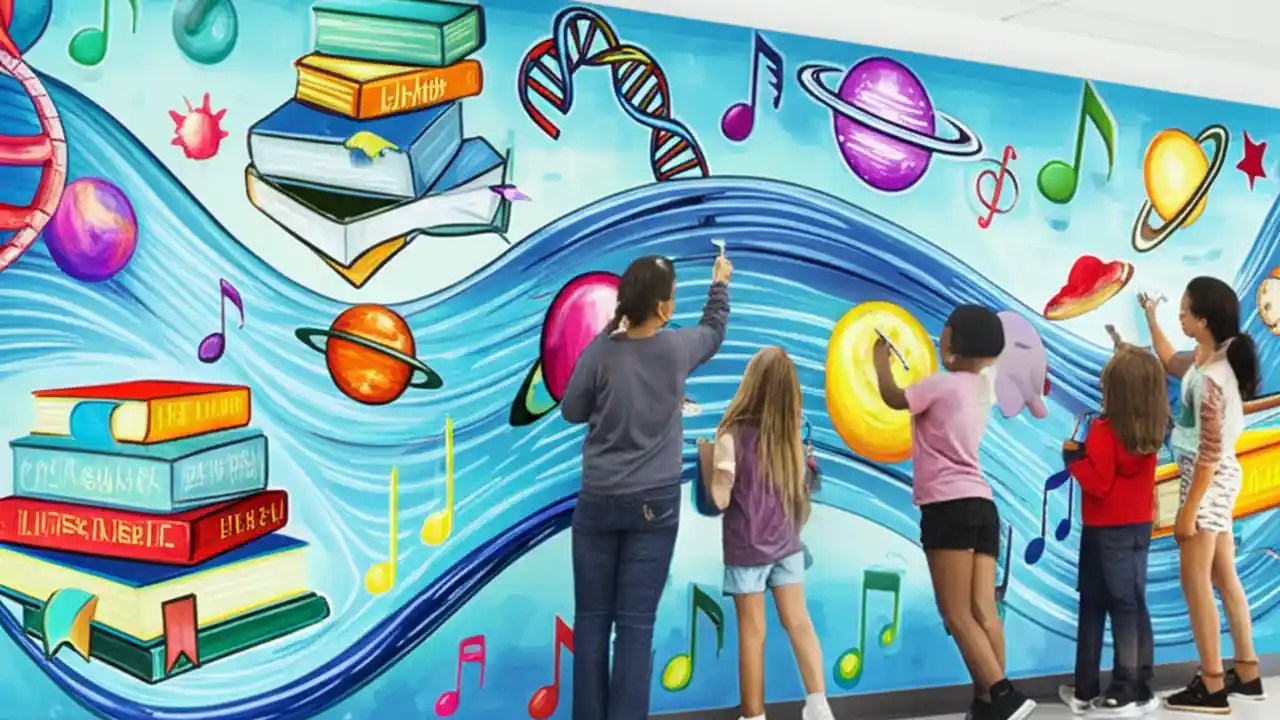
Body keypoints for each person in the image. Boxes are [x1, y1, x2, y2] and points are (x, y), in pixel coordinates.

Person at [560, 252, 732, 720]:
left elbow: (572, 411)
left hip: (597, 503)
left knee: (591, 624)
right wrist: (719, 285)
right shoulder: (677, 349)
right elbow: (714, 331)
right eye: (672, 296)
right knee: (635, 629)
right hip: (654, 507)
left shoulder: (600, 354)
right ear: (663, 308)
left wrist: (605, 334)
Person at [873, 304, 1035, 720]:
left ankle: (1002, 696)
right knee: (984, 609)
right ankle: (987, 704)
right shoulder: (982, 390)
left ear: (955, 348)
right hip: (982, 505)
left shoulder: (941, 385)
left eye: (944, 336)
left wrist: (880, 361)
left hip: (947, 507)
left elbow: (895, 398)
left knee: (957, 613)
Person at [1141, 278, 1266, 714]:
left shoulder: (1212, 377)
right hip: (1215, 480)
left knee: (1195, 584)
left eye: (1184, 311)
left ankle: (1212, 686)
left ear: (1204, 319)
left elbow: (1210, 453)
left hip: (1206, 483)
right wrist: (1151, 317)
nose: (1180, 316)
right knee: (1223, 577)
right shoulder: (1209, 360)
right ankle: (1247, 673)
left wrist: (1187, 513)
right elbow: (1168, 359)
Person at [707, 346, 834, 720]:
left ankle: (754, 715)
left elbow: (719, 498)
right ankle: (818, 706)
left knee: (753, 633)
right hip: (787, 547)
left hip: (747, 550)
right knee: (799, 622)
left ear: (752, 385)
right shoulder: (790, 439)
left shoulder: (732, 436)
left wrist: (714, 469)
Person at [1057, 344, 1168, 716]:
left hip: (1104, 532)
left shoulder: (1105, 431)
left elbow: (1098, 482)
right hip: (1137, 528)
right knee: (1132, 601)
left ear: (1114, 392)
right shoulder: (1150, 433)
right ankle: (1138, 683)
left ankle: (1116, 688)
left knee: (1098, 605)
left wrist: (1074, 458)